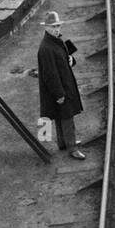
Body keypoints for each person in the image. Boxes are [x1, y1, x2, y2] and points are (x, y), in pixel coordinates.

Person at [37, 11, 85, 160]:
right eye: (53, 26)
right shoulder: (46, 48)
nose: (56, 29)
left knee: (60, 114)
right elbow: (49, 75)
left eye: (58, 26)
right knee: (67, 116)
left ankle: (63, 143)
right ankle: (72, 148)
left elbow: (67, 57)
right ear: (46, 28)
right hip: (60, 88)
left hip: (64, 85)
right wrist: (58, 94)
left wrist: (71, 59)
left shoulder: (56, 41)